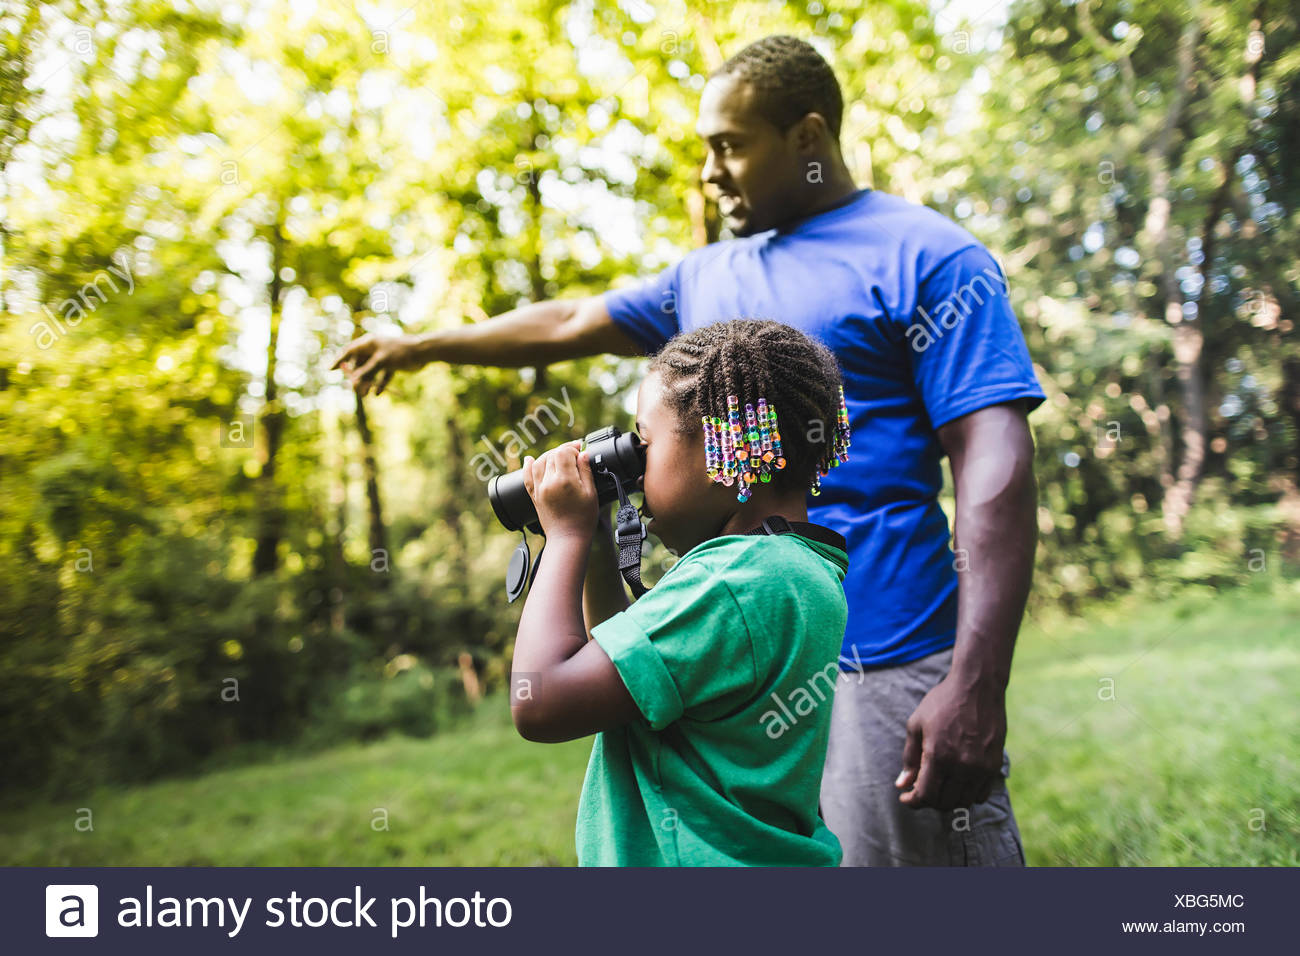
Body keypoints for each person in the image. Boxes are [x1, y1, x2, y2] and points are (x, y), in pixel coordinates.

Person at [333, 35, 1042, 866]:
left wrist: (976, 677)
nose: (709, 171)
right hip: (731, 669)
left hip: (889, 650)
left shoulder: (928, 255)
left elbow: (993, 463)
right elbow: (566, 322)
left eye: (729, 146)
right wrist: (424, 345)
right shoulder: (701, 279)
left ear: (808, 139)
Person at [510, 320, 852, 866]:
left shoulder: (732, 581)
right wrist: (598, 546)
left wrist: (565, 536)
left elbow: (540, 702)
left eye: (643, 443)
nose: (637, 470)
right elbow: (634, 689)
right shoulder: (798, 570)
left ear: (723, 443)